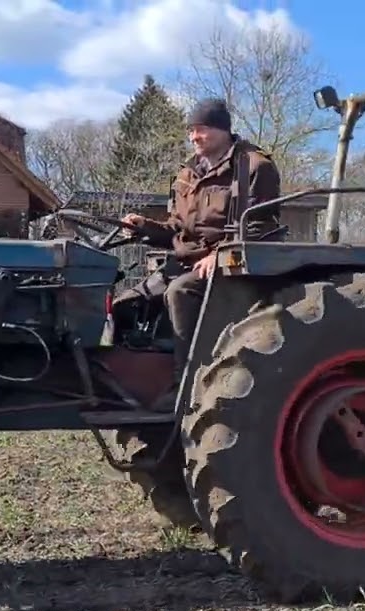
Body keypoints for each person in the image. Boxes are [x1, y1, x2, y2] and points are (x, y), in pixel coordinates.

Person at [113, 97, 283, 411]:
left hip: (233, 265)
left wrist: (218, 255)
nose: (193, 137)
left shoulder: (255, 166)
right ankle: (132, 386)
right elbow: (178, 226)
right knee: (125, 304)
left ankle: (188, 386)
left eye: (200, 130)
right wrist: (144, 226)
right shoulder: (187, 174)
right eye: (191, 131)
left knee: (181, 292)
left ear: (221, 129)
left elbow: (262, 228)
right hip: (187, 261)